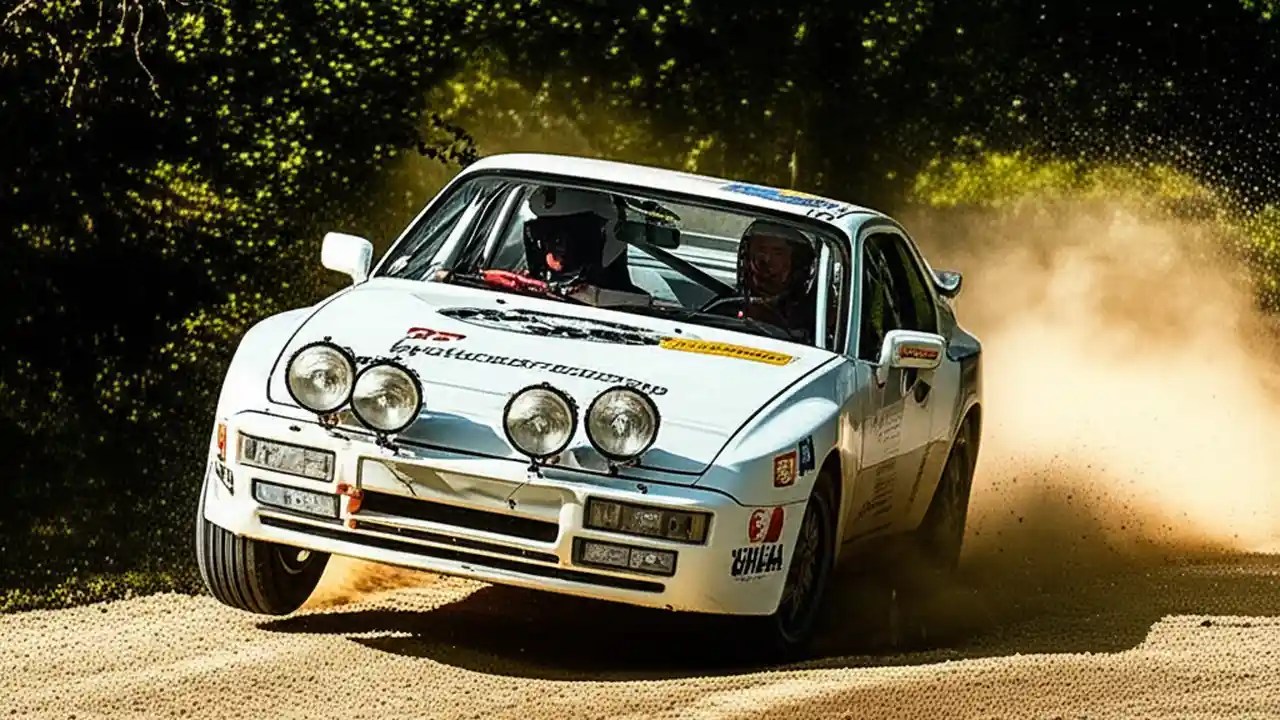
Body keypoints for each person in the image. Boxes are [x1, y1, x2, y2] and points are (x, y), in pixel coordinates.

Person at [520, 186, 649, 304]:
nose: (554, 246)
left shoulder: (638, 311)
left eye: (572, 235)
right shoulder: (521, 294)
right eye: (544, 233)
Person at [735, 219, 818, 341]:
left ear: (798, 263)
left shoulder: (817, 316)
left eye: (778, 253)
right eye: (760, 250)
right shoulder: (727, 306)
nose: (766, 260)